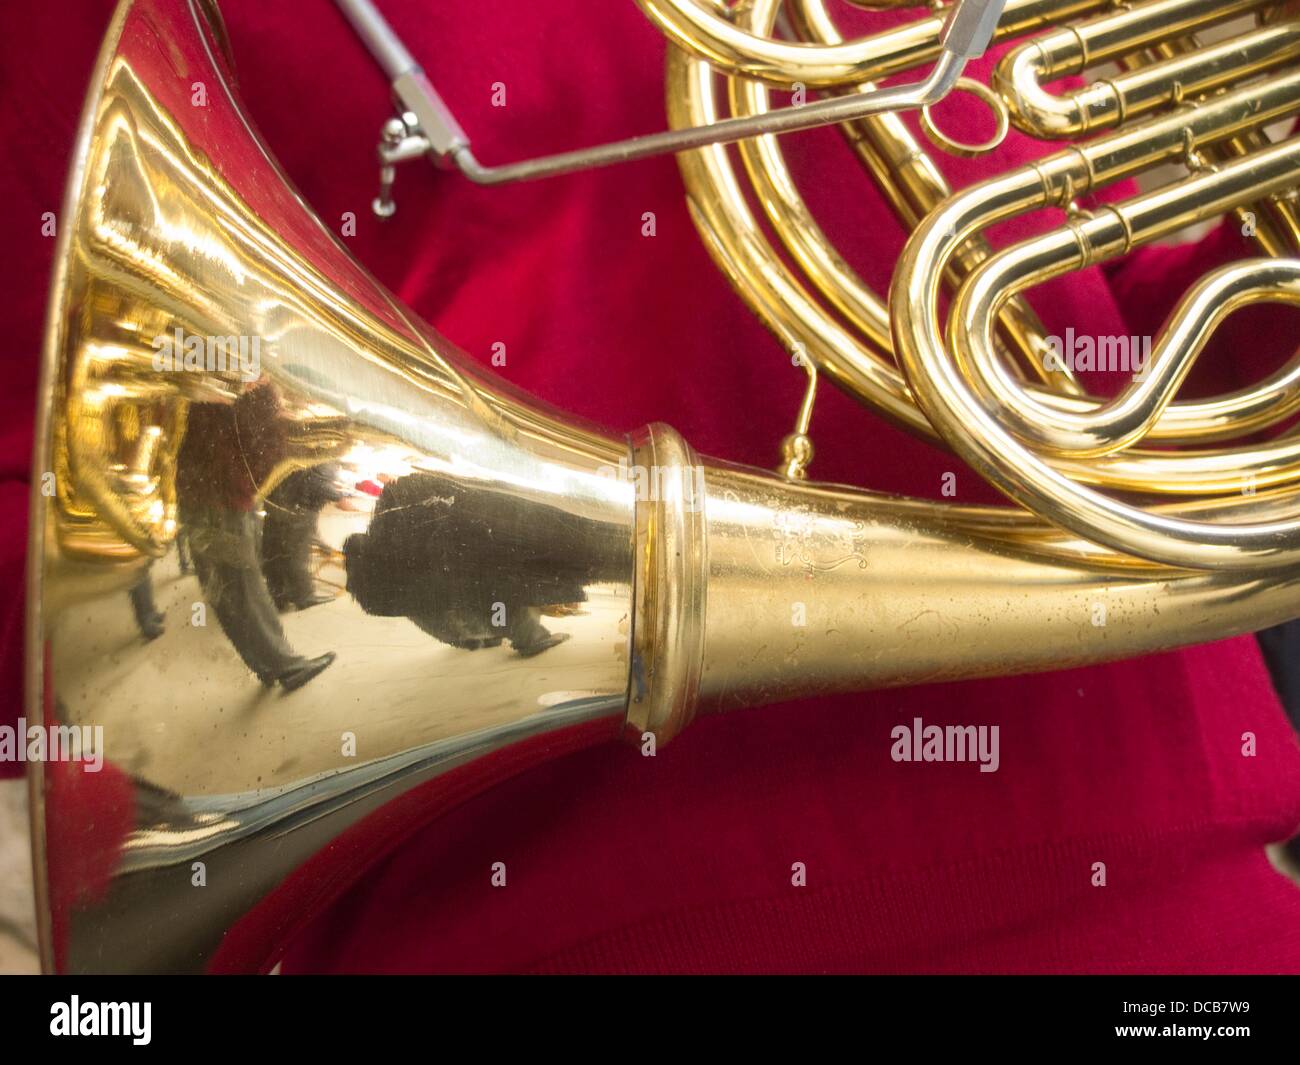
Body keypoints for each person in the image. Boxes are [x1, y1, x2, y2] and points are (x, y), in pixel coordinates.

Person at [175, 378, 334, 692]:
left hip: (214, 493)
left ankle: (269, 663)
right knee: (240, 586)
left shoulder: (226, 387)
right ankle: (284, 667)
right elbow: (266, 441)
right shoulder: (246, 390)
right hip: (219, 496)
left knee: (237, 585)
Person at [261, 463, 345, 612]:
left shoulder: (287, 450)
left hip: (274, 509)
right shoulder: (320, 456)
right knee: (296, 557)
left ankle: (279, 597)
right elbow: (317, 483)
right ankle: (304, 597)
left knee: (274, 554)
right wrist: (339, 496)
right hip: (298, 512)